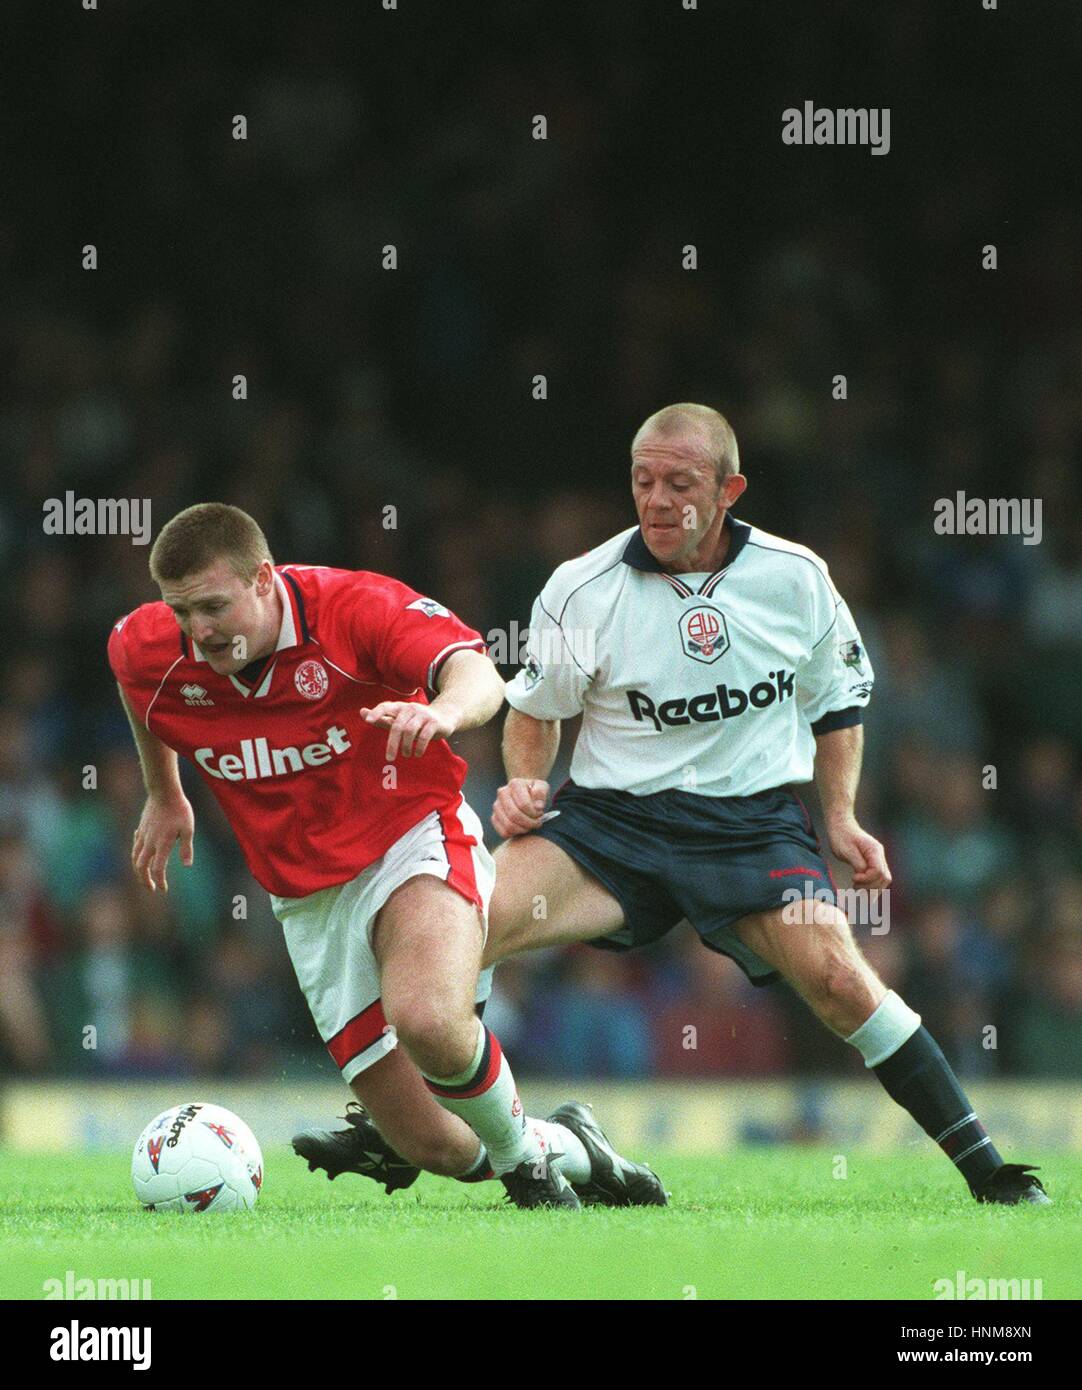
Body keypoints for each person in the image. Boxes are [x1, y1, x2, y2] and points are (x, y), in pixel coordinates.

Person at [308, 403, 1049, 1207]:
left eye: (681, 483)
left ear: (729, 489)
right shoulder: (582, 588)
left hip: (751, 828)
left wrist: (838, 817)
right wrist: (526, 781)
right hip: (609, 827)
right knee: (461, 927)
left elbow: (836, 703)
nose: (658, 500)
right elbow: (536, 707)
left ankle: (991, 1172)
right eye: (643, 481)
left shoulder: (795, 579)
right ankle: (403, 1129)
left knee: (841, 982)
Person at [108, 502, 665, 1210]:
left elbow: (479, 674)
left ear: (263, 580)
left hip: (412, 835)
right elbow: (139, 687)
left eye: (213, 606)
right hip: (307, 898)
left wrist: (441, 713)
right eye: (181, 611)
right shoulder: (147, 645)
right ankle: (577, 1148)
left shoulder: (353, 608)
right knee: (436, 1145)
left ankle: (528, 1173)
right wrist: (164, 791)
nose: (198, 631)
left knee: (428, 1019)